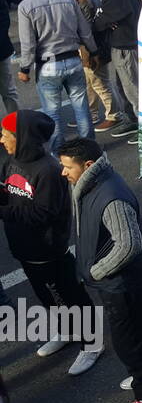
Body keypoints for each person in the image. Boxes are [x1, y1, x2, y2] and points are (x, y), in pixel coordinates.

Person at [58, 137, 142, 403]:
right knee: (141, 324)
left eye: (67, 167)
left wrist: (96, 271)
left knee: (127, 339)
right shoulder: (92, 183)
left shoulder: (111, 195)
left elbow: (128, 244)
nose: (63, 173)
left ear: (87, 165)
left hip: (119, 281)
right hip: (120, 280)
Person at [1, 112, 99, 371]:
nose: (1, 140)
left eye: (6, 135)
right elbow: (5, 192)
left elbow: (43, 213)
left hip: (48, 250)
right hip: (24, 249)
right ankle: (67, 331)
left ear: (22, 138)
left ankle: (92, 343)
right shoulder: (11, 162)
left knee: (69, 296)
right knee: (46, 296)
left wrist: (3, 210)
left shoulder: (49, 171)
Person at [16, 0, 98, 147]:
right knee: (81, 105)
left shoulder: (25, 7)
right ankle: (89, 146)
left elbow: (28, 43)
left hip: (48, 66)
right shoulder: (68, 0)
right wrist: (94, 52)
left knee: (52, 112)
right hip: (73, 60)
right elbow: (85, 32)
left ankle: (59, 151)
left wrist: (25, 68)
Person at [87, 0, 142, 140]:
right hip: (121, 42)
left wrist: (102, 20)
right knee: (122, 85)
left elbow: (104, 18)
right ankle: (132, 120)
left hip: (126, 44)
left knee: (132, 88)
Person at [56, 0, 117, 131]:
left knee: (100, 83)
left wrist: (89, 52)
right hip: (88, 49)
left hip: (93, 49)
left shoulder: (84, 1)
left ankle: (115, 115)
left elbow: (86, 30)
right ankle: (91, 113)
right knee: (90, 83)